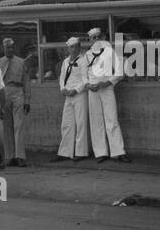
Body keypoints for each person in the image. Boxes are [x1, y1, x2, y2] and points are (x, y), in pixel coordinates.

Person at [85, 28, 130, 163]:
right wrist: (88, 84)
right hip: (93, 91)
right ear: (90, 40)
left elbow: (119, 72)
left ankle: (118, 152)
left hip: (107, 89)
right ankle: (101, 152)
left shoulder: (110, 52)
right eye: (94, 37)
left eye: (98, 37)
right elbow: (84, 75)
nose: (96, 39)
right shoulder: (87, 54)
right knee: (96, 121)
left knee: (112, 119)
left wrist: (108, 82)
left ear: (102, 37)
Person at [0, 37, 30, 167]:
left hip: (18, 91)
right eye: (7, 47)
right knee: (7, 126)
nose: (9, 49)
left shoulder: (21, 62)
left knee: (19, 125)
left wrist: (27, 100)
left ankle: (20, 156)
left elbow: (26, 82)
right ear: (3, 48)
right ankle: (9, 156)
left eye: (11, 47)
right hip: (4, 91)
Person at [55, 38, 90, 161]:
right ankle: (65, 152)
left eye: (76, 46)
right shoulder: (65, 61)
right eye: (72, 47)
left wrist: (76, 90)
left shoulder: (83, 60)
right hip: (68, 96)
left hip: (79, 95)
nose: (74, 49)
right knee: (67, 123)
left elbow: (85, 78)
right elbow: (62, 78)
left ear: (79, 47)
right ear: (68, 48)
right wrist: (63, 89)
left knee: (81, 123)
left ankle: (81, 152)